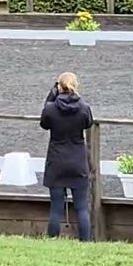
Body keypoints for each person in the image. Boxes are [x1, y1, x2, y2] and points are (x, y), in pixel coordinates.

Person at [40, 71, 94, 241]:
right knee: (81, 207)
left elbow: (44, 123)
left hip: (56, 161)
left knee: (56, 207)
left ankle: (53, 240)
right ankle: (85, 242)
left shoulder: (51, 108)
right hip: (77, 159)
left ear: (58, 87)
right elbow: (88, 123)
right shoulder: (84, 108)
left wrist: (51, 97)